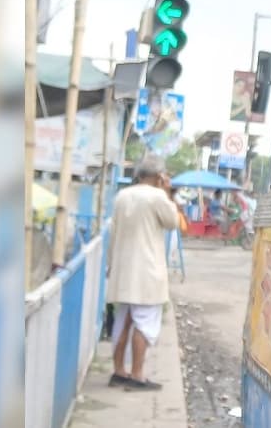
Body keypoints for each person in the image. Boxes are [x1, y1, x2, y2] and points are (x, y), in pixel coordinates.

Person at [106, 155, 181, 390]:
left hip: (123, 269)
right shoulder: (157, 196)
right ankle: (137, 374)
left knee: (123, 320)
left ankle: (119, 371)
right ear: (159, 176)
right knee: (145, 322)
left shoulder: (122, 196)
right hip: (146, 271)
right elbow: (173, 222)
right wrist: (167, 192)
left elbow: (113, 231)